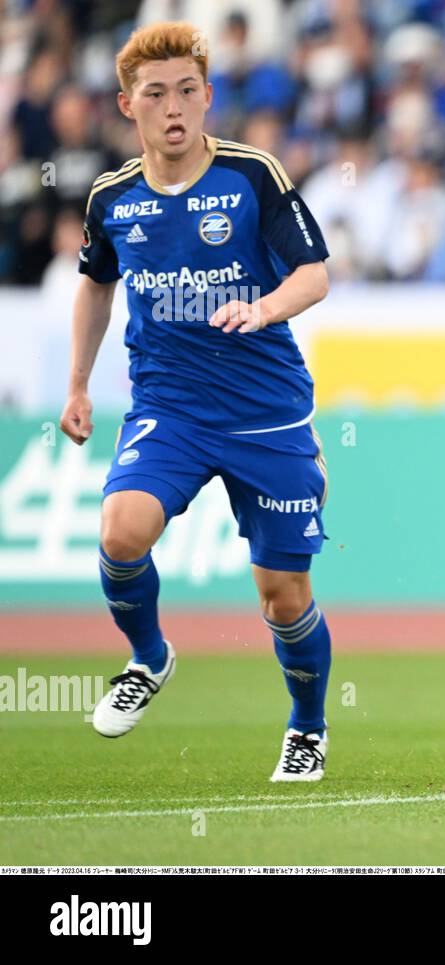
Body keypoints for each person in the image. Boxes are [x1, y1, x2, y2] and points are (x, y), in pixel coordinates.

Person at [63, 21, 333, 782]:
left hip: (266, 410)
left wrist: (266, 307)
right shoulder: (112, 197)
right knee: (122, 531)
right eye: (157, 95)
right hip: (170, 408)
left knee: (283, 597)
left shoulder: (253, 175)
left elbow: (314, 273)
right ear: (127, 105)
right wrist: (79, 385)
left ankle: (307, 726)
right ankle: (149, 658)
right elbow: (95, 281)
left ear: (209, 97)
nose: (175, 107)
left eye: (188, 91)